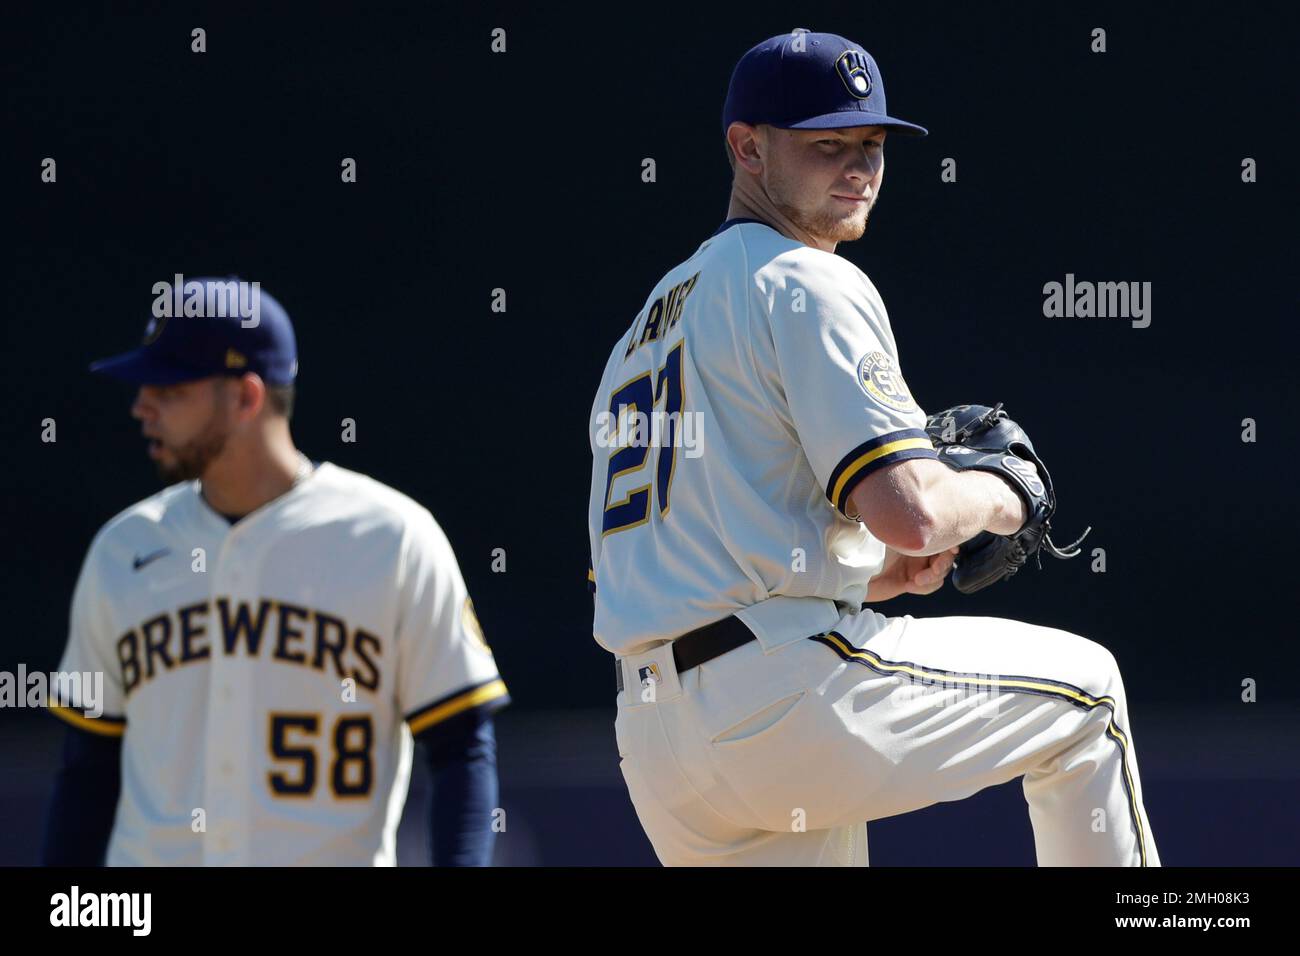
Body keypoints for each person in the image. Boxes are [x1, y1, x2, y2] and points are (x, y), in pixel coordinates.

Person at [586, 32, 1159, 866]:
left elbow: (693, 553)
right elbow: (916, 512)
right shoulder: (803, 276)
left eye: (872, 145)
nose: (858, 166)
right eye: (827, 145)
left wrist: (868, 575)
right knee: (1089, 696)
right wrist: (1008, 487)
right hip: (778, 702)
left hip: (656, 742)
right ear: (747, 148)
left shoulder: (637, 338)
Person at [43, 277, 508, 866]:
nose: (142, 406)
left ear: (246, 397)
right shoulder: (124, 548)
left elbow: (462, 746)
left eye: (171, 387)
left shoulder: (392, 538)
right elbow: (86, 770)